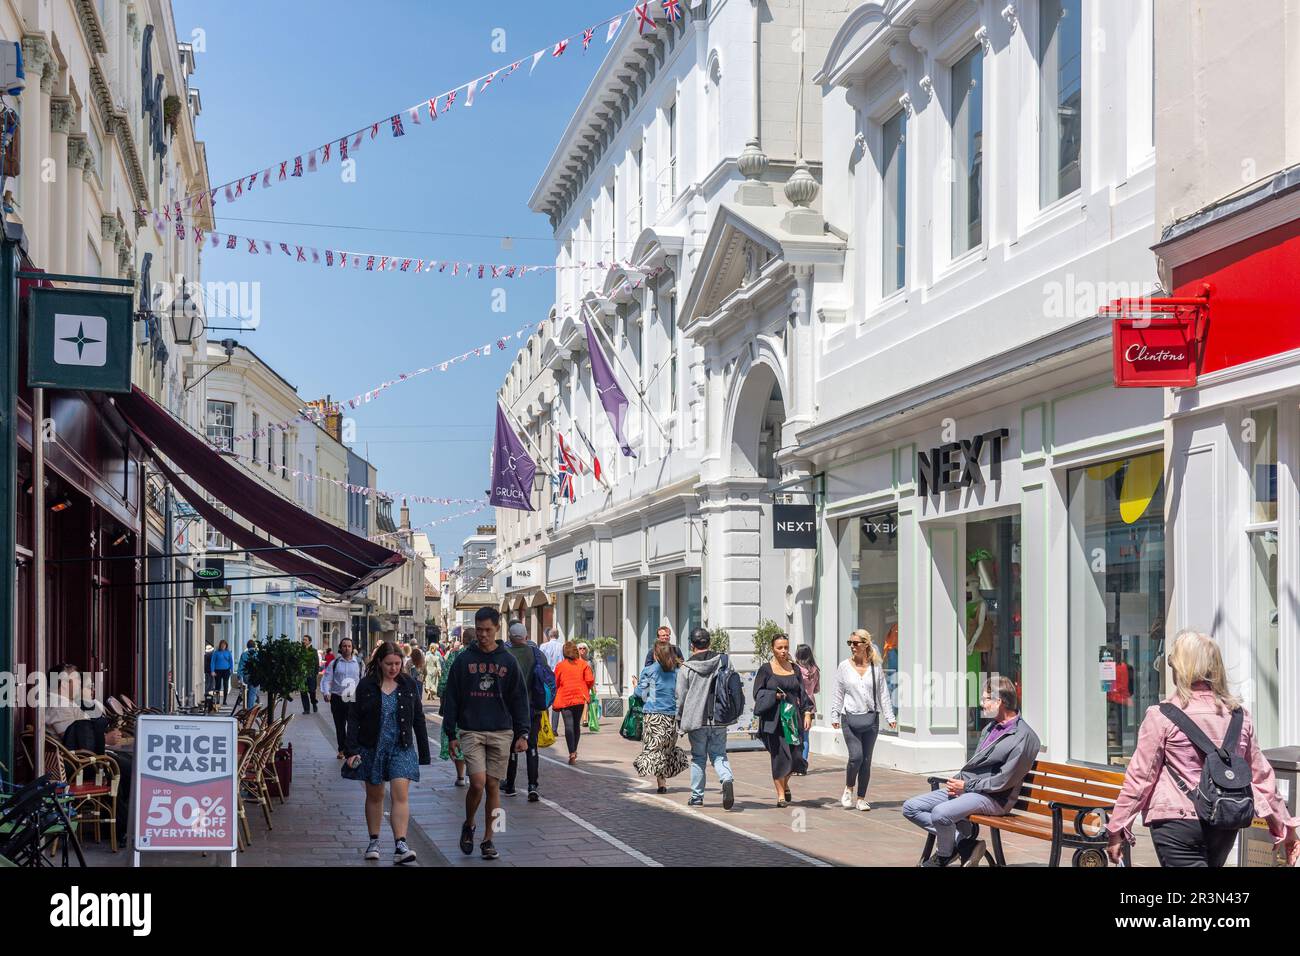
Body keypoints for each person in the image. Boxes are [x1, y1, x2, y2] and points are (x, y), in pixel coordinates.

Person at [1105, 630, 1299, 868]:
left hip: (1175, 820)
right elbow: (1261, 776)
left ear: (1181, 668)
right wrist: (1283, 825)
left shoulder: (1161, 716)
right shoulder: (1238, 716)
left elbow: (1140, 778)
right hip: (1225, 818)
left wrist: (1117, 827)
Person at [902, 676, 1041, 867]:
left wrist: (967, 786)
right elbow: (977, 765)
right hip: (971, 790)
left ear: (999, 702)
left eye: (985, 699)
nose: (981, 703)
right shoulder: (991, 727)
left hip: (995, 798)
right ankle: (963, 843)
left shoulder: (1024, 737)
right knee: (911, 807)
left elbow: (1004, 780)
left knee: (941, 813)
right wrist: (960, 781)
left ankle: (944, 856)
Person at [441, 608, 530, 861]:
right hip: (471, 729)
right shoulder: (463, 659)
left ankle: (489, 839)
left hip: (502, 731)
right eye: (479, 630)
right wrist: (451, 734)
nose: (482, 635)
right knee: (477, 782)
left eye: (487, 630)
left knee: (494, 785)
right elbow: (453, 698)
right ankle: (469, 823)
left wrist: (523, 733)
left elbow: (519, 699)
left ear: (497, 629)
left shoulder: (508, 661)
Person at [344, 641, 430, 864]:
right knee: (376, 795)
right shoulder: (365, 686)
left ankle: (401, 844)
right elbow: (353, 718)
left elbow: (418, 717)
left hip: (401, 747)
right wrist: (350, 750)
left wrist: (424, 751)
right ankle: (374, 841)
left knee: (400, 794)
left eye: (398, 664)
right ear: (379, 663)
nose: (394, 668)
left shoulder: (409, 684)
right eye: (389, 664)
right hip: (372, 746)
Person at [830, 629, 896, 811]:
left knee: (866, 760)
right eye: (849, 643)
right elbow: (838, 692)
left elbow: (883, 694)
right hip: (849, 717)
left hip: (871, 718)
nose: (852, 646)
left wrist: (890, 716)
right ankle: (848, 788)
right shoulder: (844, 666)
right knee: (856, 756)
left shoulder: (876, 667)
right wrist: (834, 714)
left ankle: (861, 798)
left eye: (855, 643)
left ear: (866, 644)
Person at [676, 627, 736, 809]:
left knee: (698, 757)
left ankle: (697, 797)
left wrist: (679, 719)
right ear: (709, 642)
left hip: (697, 719)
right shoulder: (723, 661)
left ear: (692, 645)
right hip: (719, 716)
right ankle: (726, 778)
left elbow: (681, 696)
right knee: (719, 754)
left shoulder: (686, 667)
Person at [752, 634, 814, 807]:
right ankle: (780, 795)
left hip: (792, 718)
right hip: (774, 719)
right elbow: (757, 693)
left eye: (786, 647)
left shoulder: (794, 669)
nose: (783, 651)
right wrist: (774, 695)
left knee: (795, 755)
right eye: (779, 647)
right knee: (780, 756)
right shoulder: (766, 669)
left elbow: (803, 693)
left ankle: (785, 784)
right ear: (773, 648)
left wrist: (807, 713)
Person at [502, 621, 554, 801]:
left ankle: (510, 784)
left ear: (509, 637)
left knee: (512, 748)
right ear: (526, 637)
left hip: (510, 710)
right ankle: (533, 785)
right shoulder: (537, 654)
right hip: (533, 708)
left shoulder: (505, 655)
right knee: (532, 746)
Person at [633, 642, 690, 793]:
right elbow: (680, 694)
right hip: (671, 716)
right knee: (665, 749)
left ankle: (645, 766)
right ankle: (661, 783)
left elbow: (641, 694)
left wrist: (635, 686)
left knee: (653, 748)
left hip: (653, 715)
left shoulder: (650, 671)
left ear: (656, 655)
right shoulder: (677, 672)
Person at [437, 627, 475, 785]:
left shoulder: (454, 655)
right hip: (477, 706)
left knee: (457, 737)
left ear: (463, 639)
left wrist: (441, 693)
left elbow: (445, 679)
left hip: (458, 704)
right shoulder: (481, 656)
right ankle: (474, 774)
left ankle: (460, 776)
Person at [321, 636, 364, 759]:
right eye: (344, 646)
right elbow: (326, 679)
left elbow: (363, 680)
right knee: (339, 725)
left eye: (349, 646)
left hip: (352, 697)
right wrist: (326, 692)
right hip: (337, 697)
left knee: (353, 725)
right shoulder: (334, 663)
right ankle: (342, 749)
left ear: (352, 648)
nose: (347, 648)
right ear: (340, 648)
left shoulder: (359, 663)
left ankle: (352, 749)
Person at [553, 640, 595, 764]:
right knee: (576, 725)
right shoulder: (583, 665)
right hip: (579, 698)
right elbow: (590, 680)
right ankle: (574, 751)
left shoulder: (560, 666)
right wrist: (584, 687)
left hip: (565, 698)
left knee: (568, 726)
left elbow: (555, 681)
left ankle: (571, 752)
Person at [794, 644, 820, 772]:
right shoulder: (815, 669)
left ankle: (795, 763)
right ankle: (803, 765)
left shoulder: (796, 669)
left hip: (798, 704)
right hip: (811, 706)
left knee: (795, 734)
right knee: (805, 736)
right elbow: (816, 689)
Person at [300, 635, 321, 714]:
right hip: (302, 675)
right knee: (303, 692)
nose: (303, 641)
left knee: (312, 691)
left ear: (309, 641)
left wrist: (315, 673)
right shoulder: (300, 650)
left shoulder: (314, 651)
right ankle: (306, 709)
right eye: (303, 640)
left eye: (305, 640)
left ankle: (314, 703)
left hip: (311, 675)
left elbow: (317, 663)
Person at [236, 639, 258, 708]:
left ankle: (247, 707)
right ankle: (249, 709)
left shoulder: (244, 654)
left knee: (247, 692)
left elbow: (241, 666)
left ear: (247, 646)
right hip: (254, 676)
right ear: (254, 646)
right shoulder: (257, 654)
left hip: (246, 676)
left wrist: (239, 677)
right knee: (252, 693)